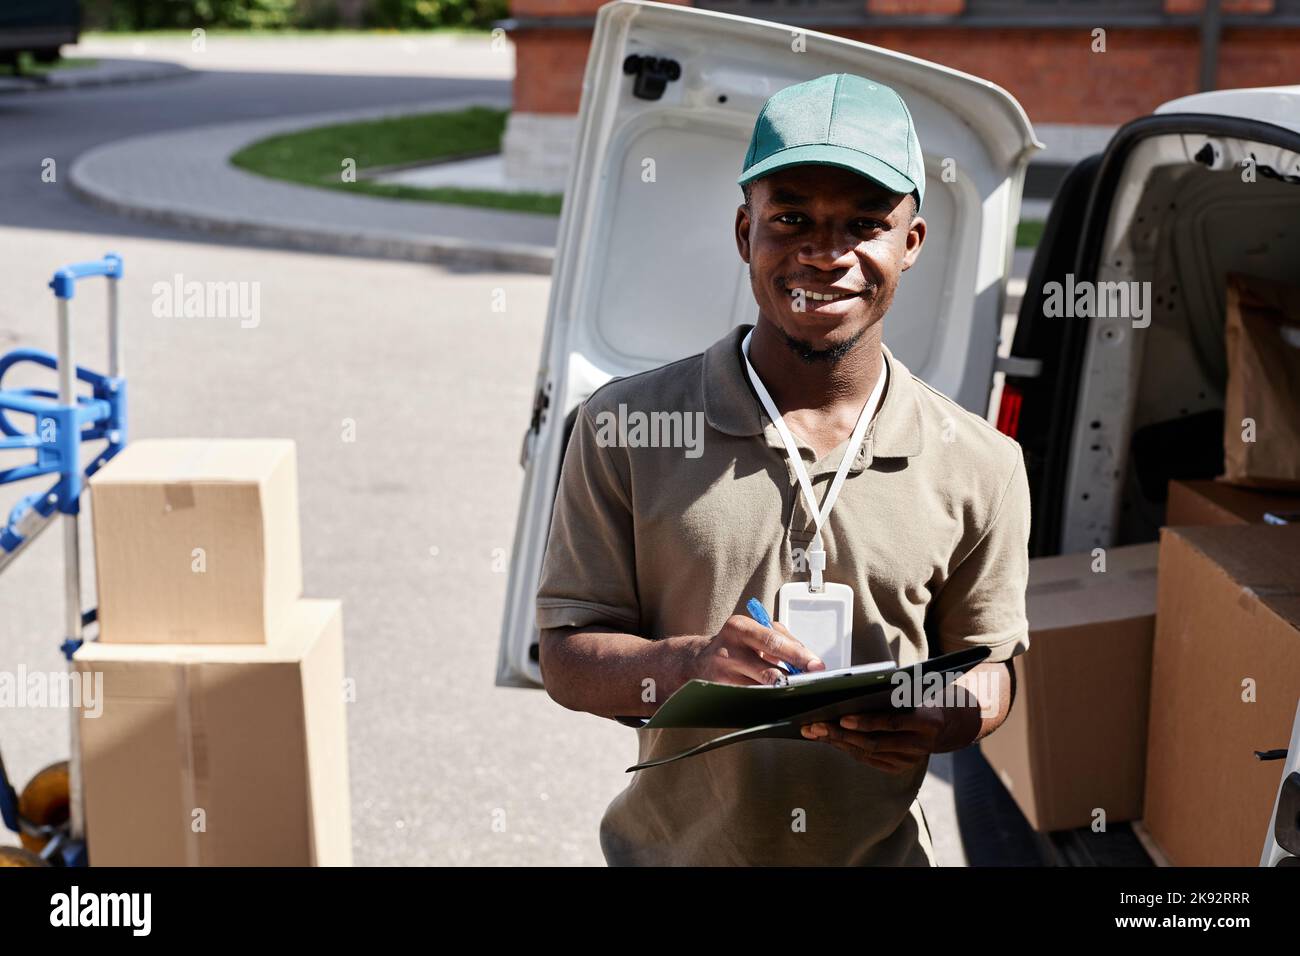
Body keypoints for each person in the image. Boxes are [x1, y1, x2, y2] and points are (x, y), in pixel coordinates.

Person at [535, 73, 1031, 865]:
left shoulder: (983, 463)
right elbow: (566, 656)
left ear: (911, 243)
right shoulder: (625, 427)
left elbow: (992, 664)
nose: (825, 254)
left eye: (865, 224)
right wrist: (688, 665)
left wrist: (939, 717)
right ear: (745, 233)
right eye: (791, 218)